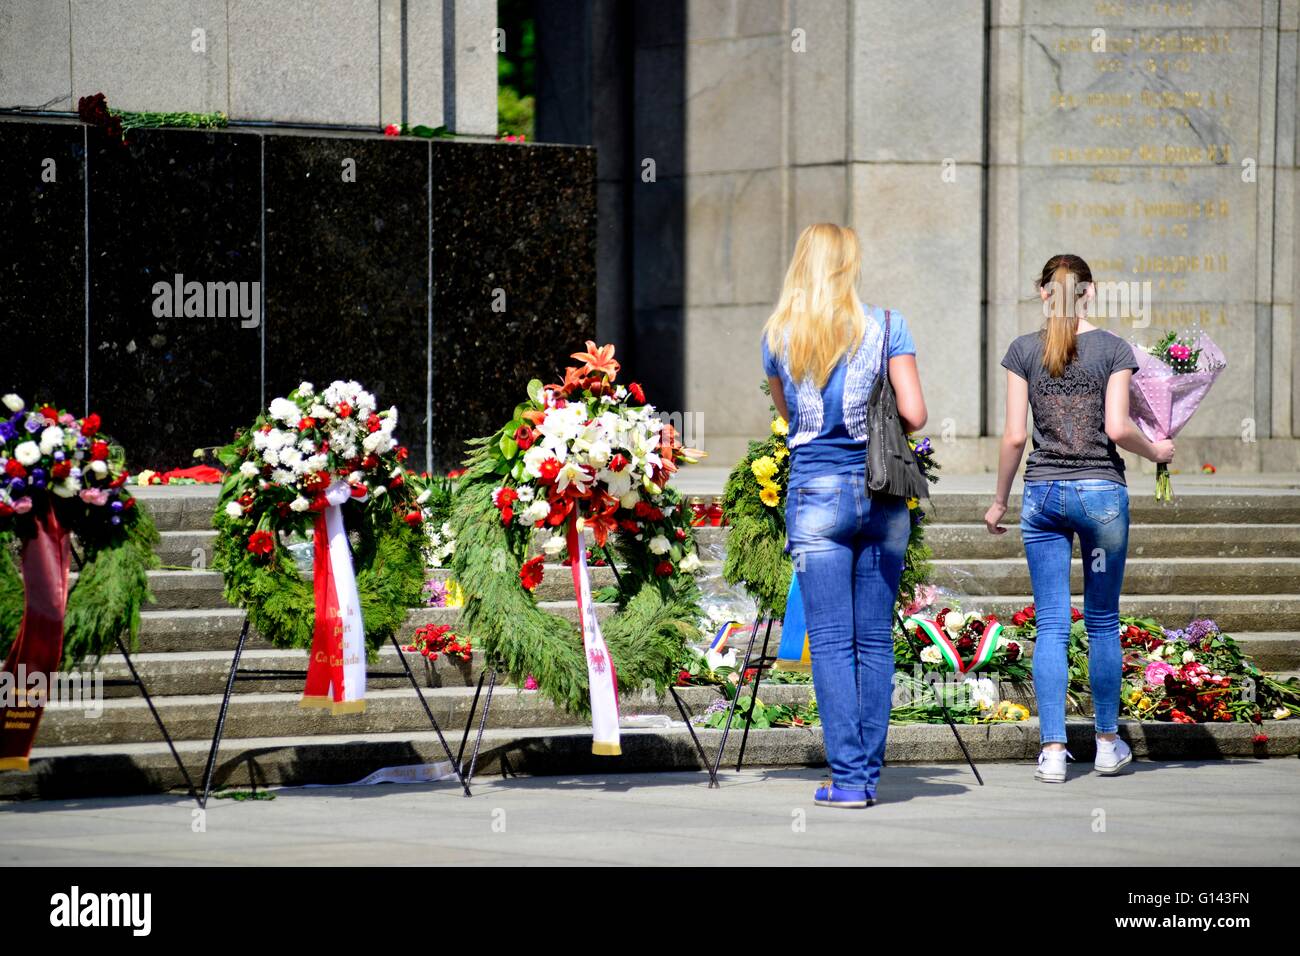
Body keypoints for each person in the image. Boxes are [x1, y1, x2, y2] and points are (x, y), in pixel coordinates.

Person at [985, 254, 1175, 783]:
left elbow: (1015, 437)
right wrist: (1156, 452)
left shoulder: (1023, 350)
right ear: (1088, 292)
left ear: (1043, 292)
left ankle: (1051, 751)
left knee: (1050, 624)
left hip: (1043, 495)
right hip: (1101, 496)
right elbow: (1118, 429)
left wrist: (1000, 500)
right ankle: (1109, 744)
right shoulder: (1114, 348)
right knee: (1103, 622)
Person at [762, 223, 927, 808]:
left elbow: (787, 417)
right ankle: (867, 778)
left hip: (815, 495)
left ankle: (850, 780)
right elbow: (915, 413)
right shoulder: (888, 325)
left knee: (831, 643)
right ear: (850, 264)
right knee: (875, 643)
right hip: (881, 494)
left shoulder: (779, 334)